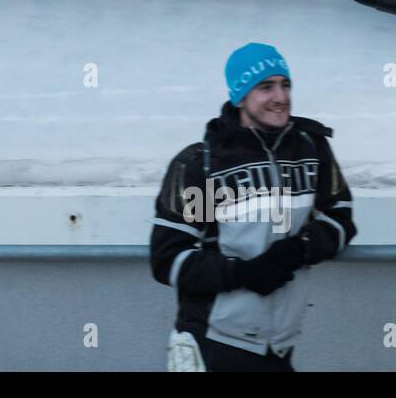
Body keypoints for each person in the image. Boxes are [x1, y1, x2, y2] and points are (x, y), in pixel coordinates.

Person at [150, 43, 357, 371]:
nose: (281, 97)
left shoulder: (309, 149)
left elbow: (341, 217)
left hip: (279, 347)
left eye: (285, 84)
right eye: (265, 87)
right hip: (216, 342)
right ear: (240, 97)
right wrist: (243, 273)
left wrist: (301, 249)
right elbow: (169, 259)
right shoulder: (206, 163)